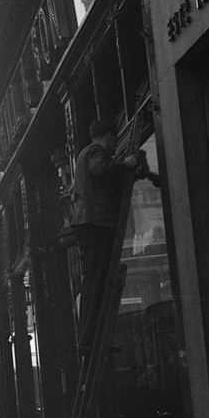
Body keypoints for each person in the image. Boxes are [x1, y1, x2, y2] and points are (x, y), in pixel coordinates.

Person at [70, 119, 142, 356]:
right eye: (113, 140)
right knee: (97, 278)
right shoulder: (94, 151)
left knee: (96, 279)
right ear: (109, 136)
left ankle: (93, 337)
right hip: (96, 222)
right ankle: (89, 338)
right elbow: (101, 168)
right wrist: (127, 163)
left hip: (91, 222)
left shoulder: (86, 154)